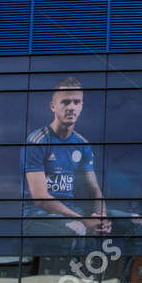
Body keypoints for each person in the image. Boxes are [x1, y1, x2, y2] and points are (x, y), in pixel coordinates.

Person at [23, 78, 113, 237]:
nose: (71, 107)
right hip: (37, 216)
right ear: (53, 106)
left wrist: (101, 216)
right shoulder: (37, 141)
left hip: (72, 213)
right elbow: (40, 199)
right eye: (65, 102)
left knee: (133, 221)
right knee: (78, 229)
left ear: (81, 106)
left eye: (76, 102)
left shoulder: (82, 144)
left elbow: (94, 189)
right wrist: (84, 220)